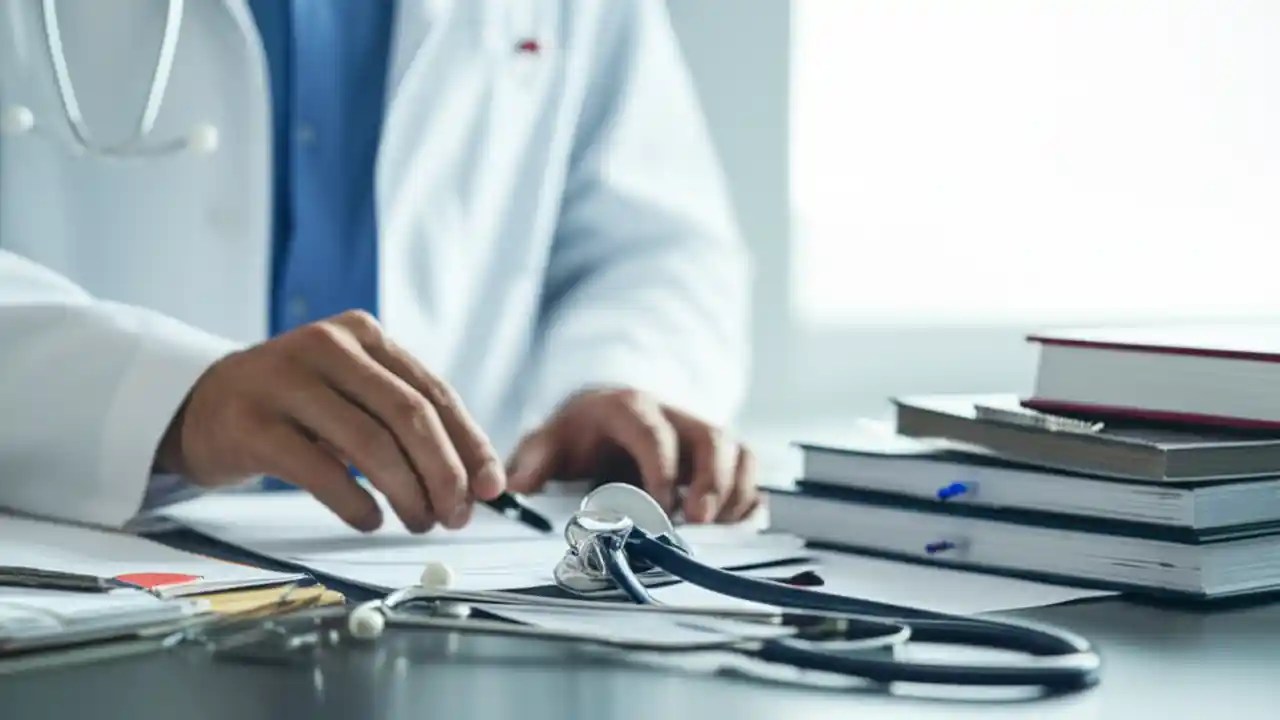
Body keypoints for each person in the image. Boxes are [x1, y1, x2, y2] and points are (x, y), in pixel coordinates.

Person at [0, 1, 757, 532]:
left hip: (449, 580)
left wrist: (617, 377)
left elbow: (653, 244)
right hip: (72, 571)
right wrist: (162, 398)